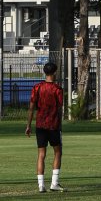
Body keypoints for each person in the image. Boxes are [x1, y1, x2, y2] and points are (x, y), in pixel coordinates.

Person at [25, 61, 64, 193]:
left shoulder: (37, 88)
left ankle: (41, 185)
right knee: (58, 152)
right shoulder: (57, 89)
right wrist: (60, 124)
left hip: (40, 124)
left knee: (41, 154)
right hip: (53, 125)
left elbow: (31, 108)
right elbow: (59, 109)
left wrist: (28, 125)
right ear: (54, 72)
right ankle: (54, 183)